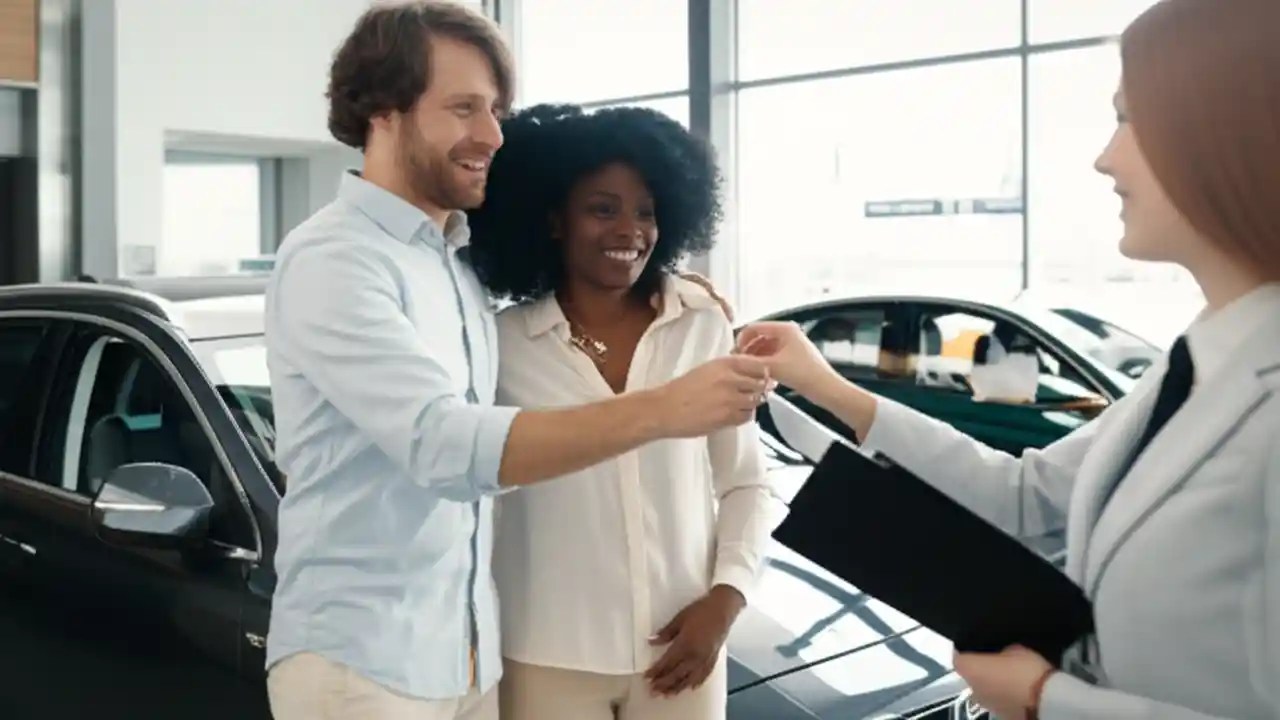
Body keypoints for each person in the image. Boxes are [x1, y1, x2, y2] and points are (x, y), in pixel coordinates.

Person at [738, 1, 1280, 718]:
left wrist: (1044, 700)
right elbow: (1028, 498)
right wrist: (824, 385)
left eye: (1130, 119)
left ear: (1221, 135)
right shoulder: (1197, 361)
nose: (1104, 157)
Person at [262, 5, 771, 720]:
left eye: (496, 110)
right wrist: (664, 408)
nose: (493, 134)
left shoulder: (457, 268)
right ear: (383, 110)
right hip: (365, 662)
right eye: (464, 107)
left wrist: (686, 296)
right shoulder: (334, 260)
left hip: (466, 656)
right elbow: (445, 445)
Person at [463, 103, 786, 720]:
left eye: (646, 211)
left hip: (682, 648)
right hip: (545, 653)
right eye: (602, 208)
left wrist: (726, 600)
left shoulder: (702, 324)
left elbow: (746, 482)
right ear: (555, 220)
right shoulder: (500, 346)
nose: (629, 230)